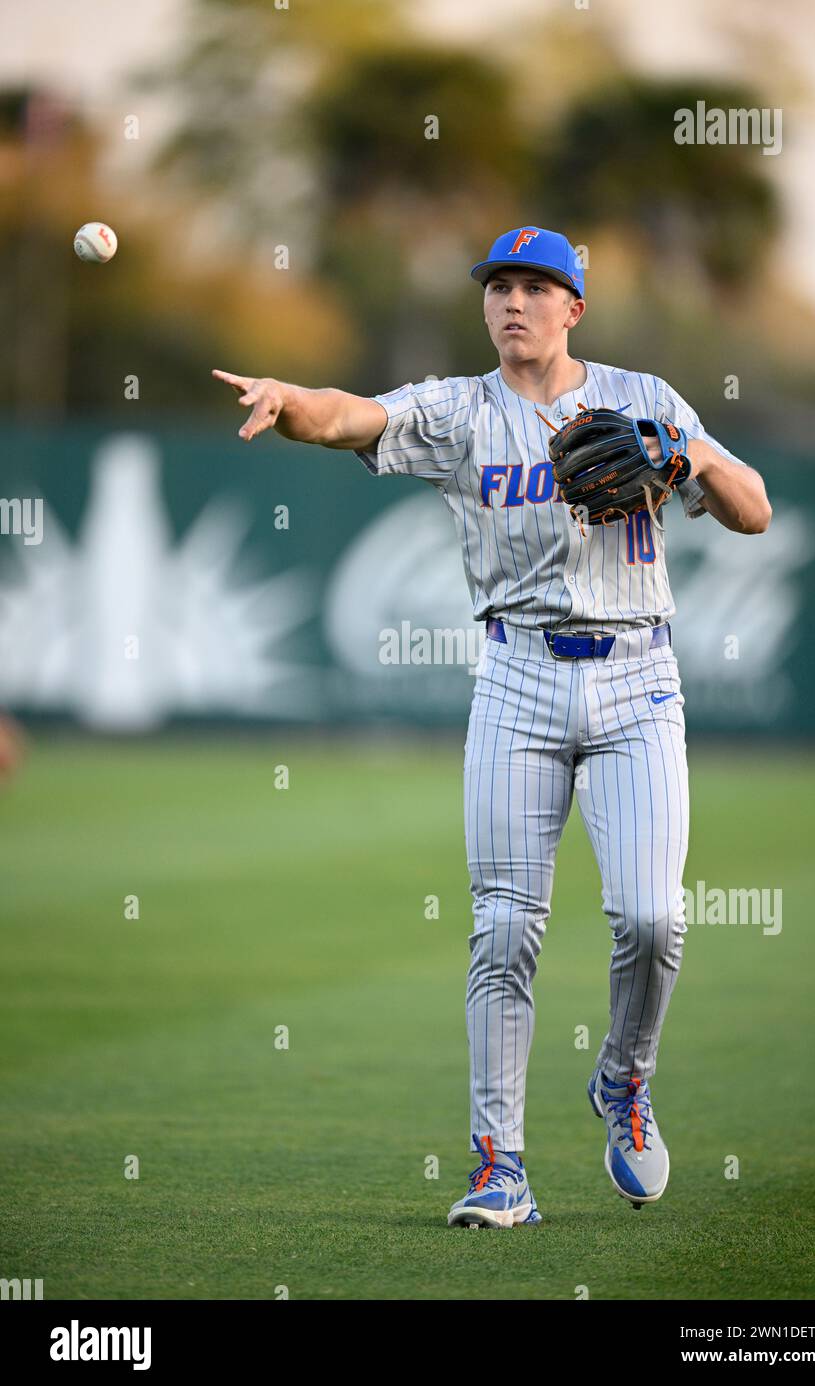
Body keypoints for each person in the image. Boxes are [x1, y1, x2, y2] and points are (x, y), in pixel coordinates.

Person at [213, 224, 771, 1229]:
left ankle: (623, 1082)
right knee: (503, 927)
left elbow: (754, 509)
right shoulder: (457, 410)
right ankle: (497, 1164)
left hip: (637, 678)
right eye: (497, 285)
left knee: (651, 918)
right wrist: (287, 401)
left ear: (573, 310)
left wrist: (684, 453)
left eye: (535, 286)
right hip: (514, 675)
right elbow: (349, 416)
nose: (512, 300)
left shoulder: (643, 400)